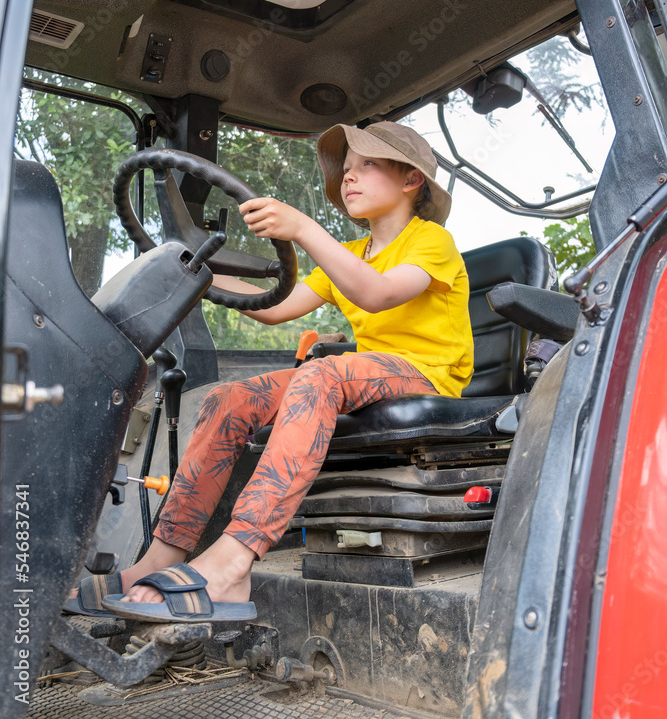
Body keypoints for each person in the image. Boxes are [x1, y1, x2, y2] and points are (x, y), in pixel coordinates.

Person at [65, 121, 473, 622]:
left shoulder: (431, 242)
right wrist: (195, 262)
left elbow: (376, 293)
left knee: (322, 374)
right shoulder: (347, 255)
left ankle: (235, 559)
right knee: (230, 399)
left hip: (425, 374)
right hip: (363, 375)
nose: (349, 177)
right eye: (346, 169)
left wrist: (302, 229)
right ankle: (159, 557)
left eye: (367, 165)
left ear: (412, 180)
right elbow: (274, 308)